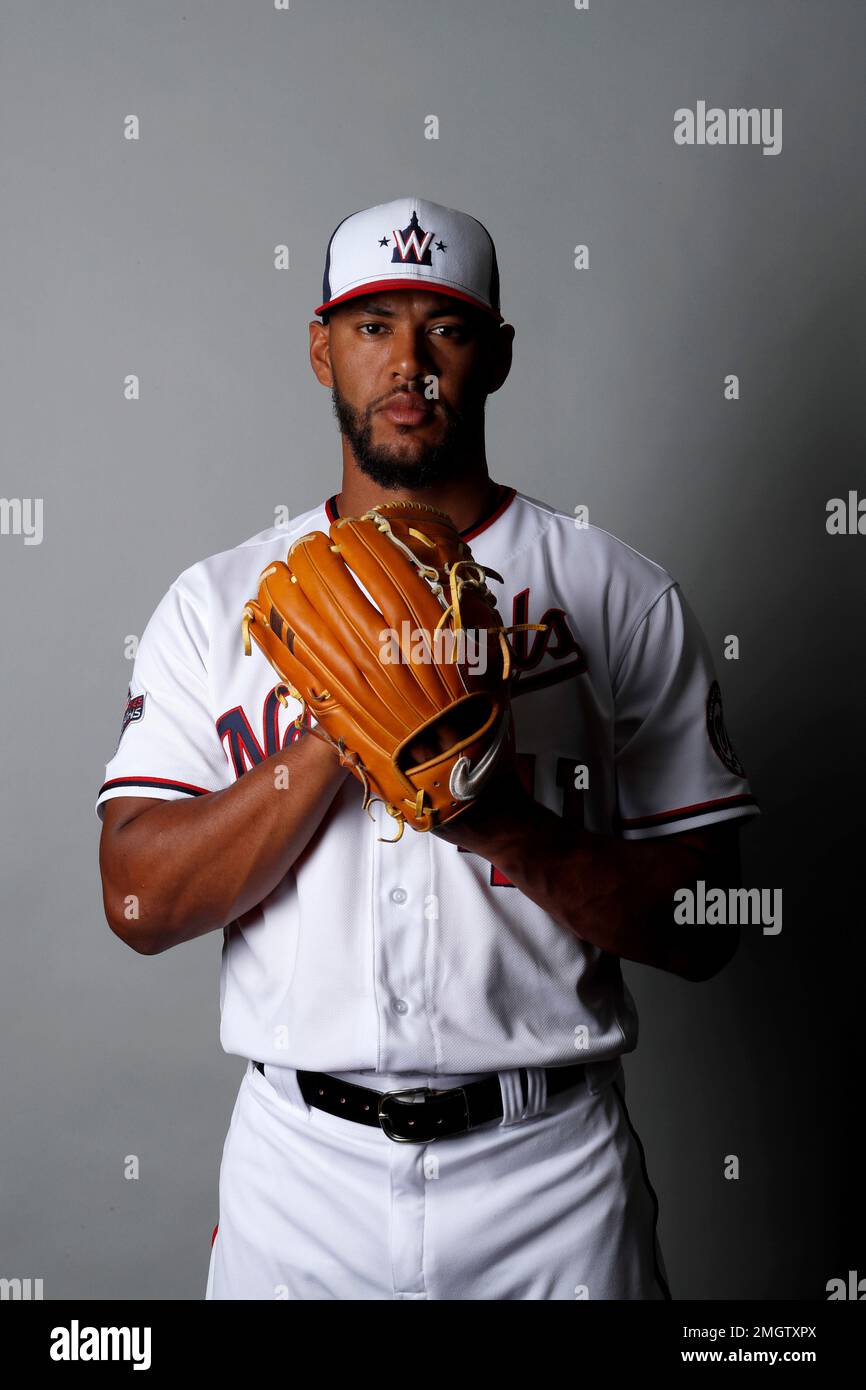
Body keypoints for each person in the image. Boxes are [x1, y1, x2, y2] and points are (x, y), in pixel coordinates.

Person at [96, 196, 760, 1300]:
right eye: (370, 327)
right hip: (299, 1178)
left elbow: (712, 927)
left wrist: (491, 810)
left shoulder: (618, 594)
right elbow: (135, 901)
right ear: (319, 349)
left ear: (494, 355)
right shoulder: (219, 603)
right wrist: (334, 733)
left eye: (443, 328)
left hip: (546, 1176)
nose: (408, 364)